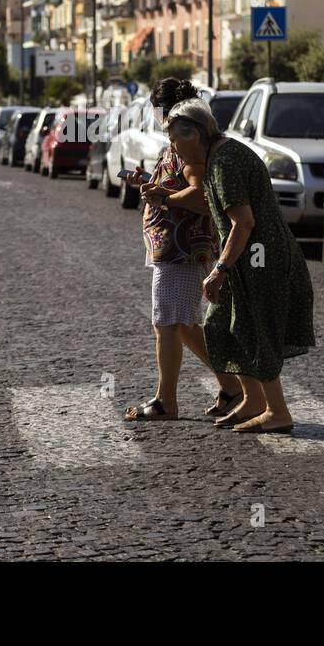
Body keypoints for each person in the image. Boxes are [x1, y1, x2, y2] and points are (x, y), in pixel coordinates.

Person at [144, 97, 314, 434]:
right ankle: (250, 399)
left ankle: (277, 412)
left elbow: (243, 223)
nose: (173, 150)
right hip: (247, 257)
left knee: (255, 328)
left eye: (174, 141)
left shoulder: (223, 163)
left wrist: (219, 269)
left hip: (261, 256)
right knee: (220, 324)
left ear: (193, 135)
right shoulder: (217, 155)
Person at [123, 79, 244, 423]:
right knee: (185, 324)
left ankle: (166, 401)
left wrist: (164, 197)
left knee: (167, 323)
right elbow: (184, 183)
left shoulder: (186, 141)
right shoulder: (186, 137)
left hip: (182, 249)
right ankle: (231, 385)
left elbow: (202, 196)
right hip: (179, 246)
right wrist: (152, 181)